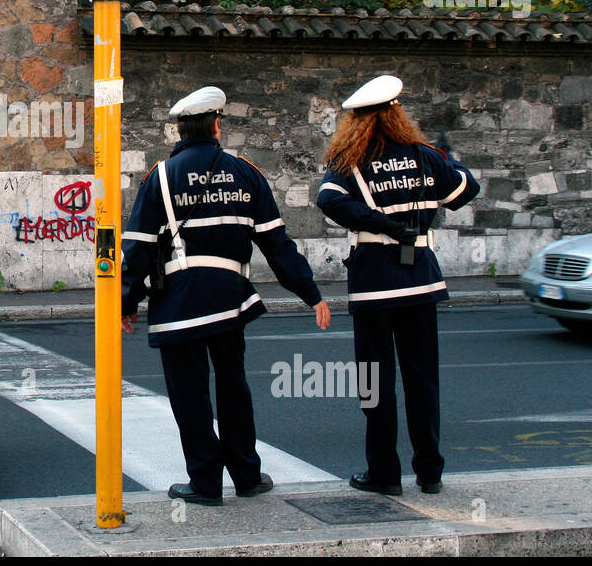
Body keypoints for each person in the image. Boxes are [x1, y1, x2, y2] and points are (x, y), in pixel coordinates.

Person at [120, 86, 332, 506]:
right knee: (234, 389)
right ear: (217, 125)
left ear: (179, 130)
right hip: (229, 300)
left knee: (189, 397)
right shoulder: (246, 172)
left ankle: (205, 483)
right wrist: (311, 294)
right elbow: (277, 245)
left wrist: (125, 304)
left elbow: (139, 248)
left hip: (179, 303)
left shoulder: (160, 177)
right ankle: (248, 476)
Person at [315, 74, 479, 496]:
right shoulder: (426, 156)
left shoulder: (351, 162)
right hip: (421, 279)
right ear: (396, 113)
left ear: (356, 122)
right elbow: (466, 190)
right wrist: (446, 157)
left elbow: (329, 200)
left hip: (374, 283)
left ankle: (384, 473)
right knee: (423, 379)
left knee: (374, 380)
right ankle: (430, 473)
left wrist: (380, 224)